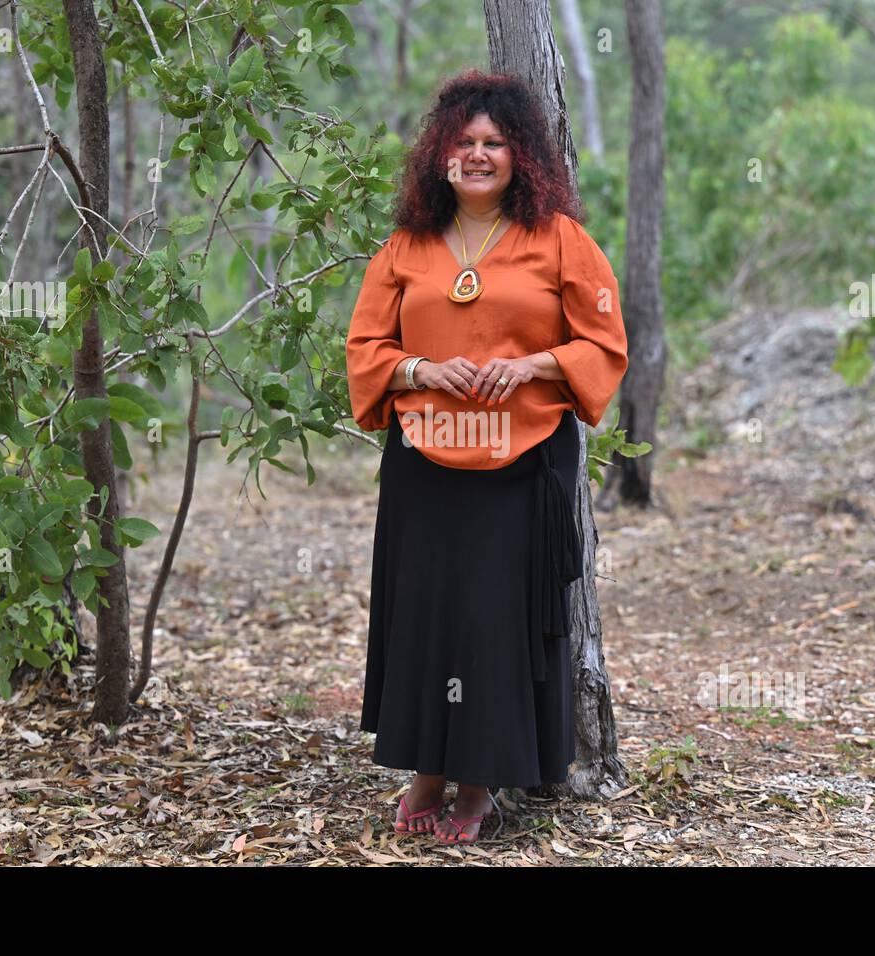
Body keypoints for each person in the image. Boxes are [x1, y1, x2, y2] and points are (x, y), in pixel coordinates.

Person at [345, 69, 628, 846]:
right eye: (465, 143)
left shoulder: (559, 240)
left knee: (490, 620)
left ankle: (477, 784)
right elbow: (367, 345)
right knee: (428, 614)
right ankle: (425, 771)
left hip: (522, 462)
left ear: (520, 156)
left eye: (494, 143)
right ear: (442, 155)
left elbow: (604, 342)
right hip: (427, 462)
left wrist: (531, 365)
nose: (478, 155)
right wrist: (421, 370)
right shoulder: (407, 245)